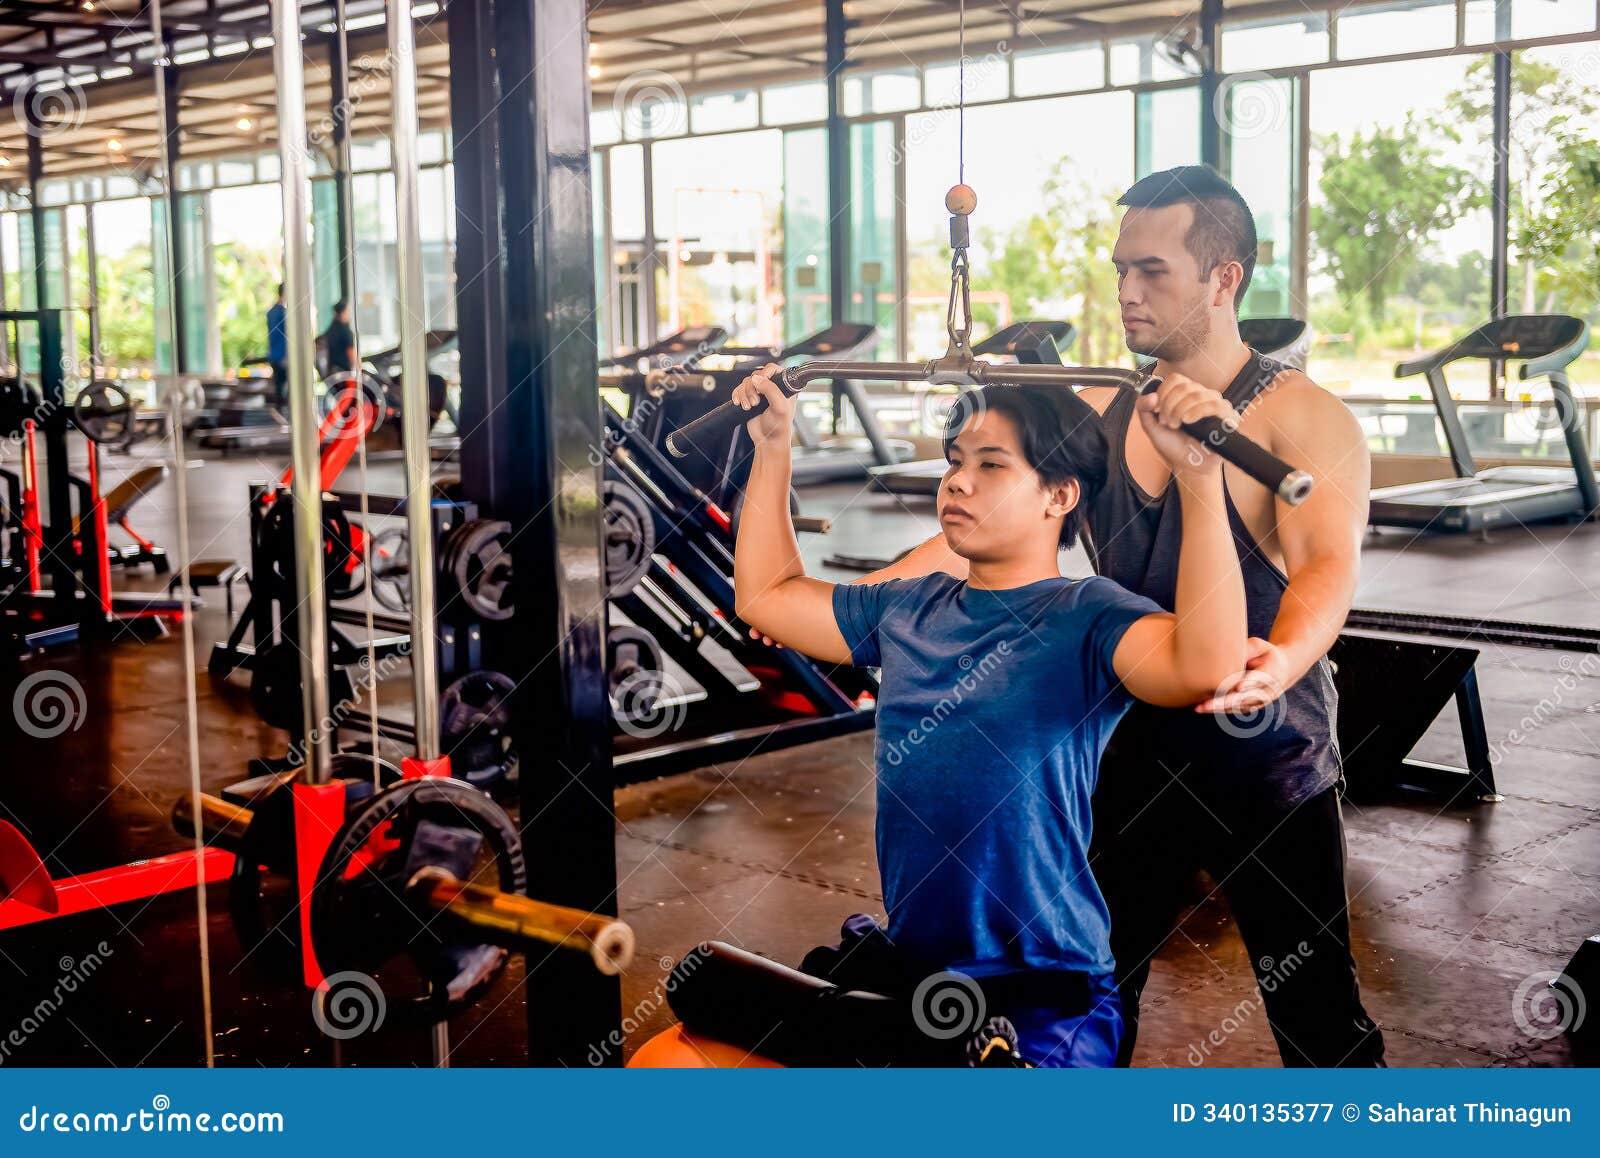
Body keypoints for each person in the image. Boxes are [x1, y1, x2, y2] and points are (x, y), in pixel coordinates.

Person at [866, 165, 1384, 1067]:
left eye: (1152, 271)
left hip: (1265, 758)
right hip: (1131, 749)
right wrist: (860, 601)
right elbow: (997, 520)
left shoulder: (1303, 417)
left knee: (1318, 1022)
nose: (1127, 293)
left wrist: (1285, 657)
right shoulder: (1112, 408)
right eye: (1119, 270)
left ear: (1224, 279)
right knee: (1093, 996)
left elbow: (1326, 564)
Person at [730, 364, 1250, 1068]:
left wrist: (1201, 478)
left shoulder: (1089, 616)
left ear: (1059, 495)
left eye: (991, 465)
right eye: (954, 462)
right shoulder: (908, 608)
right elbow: (766, 596)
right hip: (920, 972)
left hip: (1046, 985)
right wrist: (773, 446)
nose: (957, 482)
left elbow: (1207, 666)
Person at [266, 282, 287, 407]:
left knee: (279, 389)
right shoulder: (283, 313)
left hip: (274, 355)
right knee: (284, 391)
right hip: (283, 357)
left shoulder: (271, 312)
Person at [323, 300, 357, 377]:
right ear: (343, 313)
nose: (349, 315)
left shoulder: (330, 330)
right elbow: (351, 353)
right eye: (348, 311)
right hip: (344, 374)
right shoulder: (346, 332)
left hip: (331, 374)